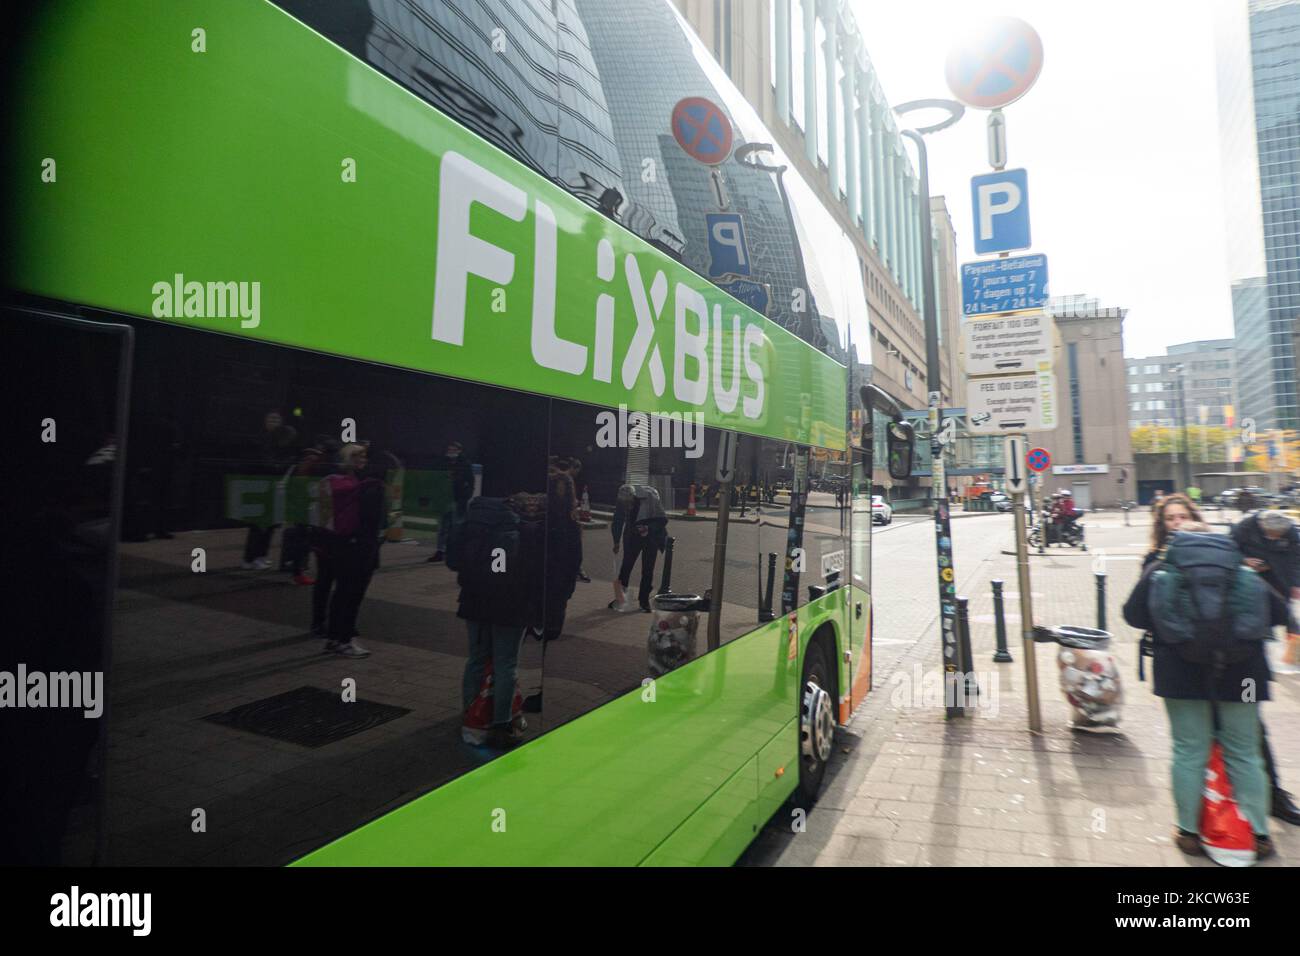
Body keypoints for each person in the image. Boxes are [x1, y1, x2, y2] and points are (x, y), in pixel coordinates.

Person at [1123, 518, 1281, 860]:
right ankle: (1259, 835)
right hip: (1246, 678)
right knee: (1245, 751)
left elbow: (1132, 615)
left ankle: (1189, 832)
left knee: (1188, 750)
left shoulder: (1161, 567)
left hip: (1180, 675)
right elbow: (1279, 612)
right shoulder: (1239, 565)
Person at [1230, 509, 1300, 825]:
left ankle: (1268, 796)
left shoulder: (1288, 540)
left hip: (1246, 664)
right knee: (1235, 735)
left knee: (1249, 726)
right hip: (1208, 671)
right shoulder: (1239, 545)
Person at [314, 443, 385, 658]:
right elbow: (373, 520)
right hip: (360, 547)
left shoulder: (330, 481)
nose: (363, 459)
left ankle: (333, 639)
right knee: (352, 595)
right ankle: (345, 640)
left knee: (340, 593)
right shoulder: (369, 484)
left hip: (337, 543)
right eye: (359, 455)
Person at [242, 410, 298, 570]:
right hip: (261, 487)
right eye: (271, 419)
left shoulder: (280, 443)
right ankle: (250, 557)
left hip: (274, 488)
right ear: (265, 422)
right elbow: (266, 465)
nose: (274, 423)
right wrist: (286, 464)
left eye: (277, 420)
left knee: (271, 525)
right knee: (258, 525)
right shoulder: (260, 442)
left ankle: (260, 555)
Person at [609, 484, 668, 613]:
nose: (627, 506)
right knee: (626, 566)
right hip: (632, 536)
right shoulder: (621, 501)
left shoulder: (650, 497)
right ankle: (620, 599)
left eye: (629, 503)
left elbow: (662, 520)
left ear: (634, 497)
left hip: (651, 537)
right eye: (624, 504)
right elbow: (618, 520)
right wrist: (616, 541)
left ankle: (644, 601)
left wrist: (648, 528)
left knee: (647, 570)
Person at [429, 440, 474, 563]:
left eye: (454, 450)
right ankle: (440, 551)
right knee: (443, 526)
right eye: (449, 450)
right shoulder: (443, 463)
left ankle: (454, 551)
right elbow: (436, 478)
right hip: (445, 499)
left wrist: (466, 495)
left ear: (459, 451)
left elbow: (471, 481)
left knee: (456, 526)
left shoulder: (465, 464)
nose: (451, 452)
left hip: (458, 499)